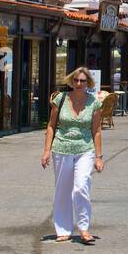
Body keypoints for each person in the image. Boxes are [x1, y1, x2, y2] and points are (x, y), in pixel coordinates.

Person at [41, 67, 104, 245]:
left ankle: (84, 228)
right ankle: (63, 229)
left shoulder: (94, 103)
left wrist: (99, 156)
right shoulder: (60, 99)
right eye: (75, 80)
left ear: (88, 83)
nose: (78, 84)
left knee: (81, 186)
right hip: (61, 148)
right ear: (71, 81)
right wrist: (46, 151)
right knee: (62, 189)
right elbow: (51, 126)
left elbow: (97, 130)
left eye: (82, 81)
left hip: (85, 148)